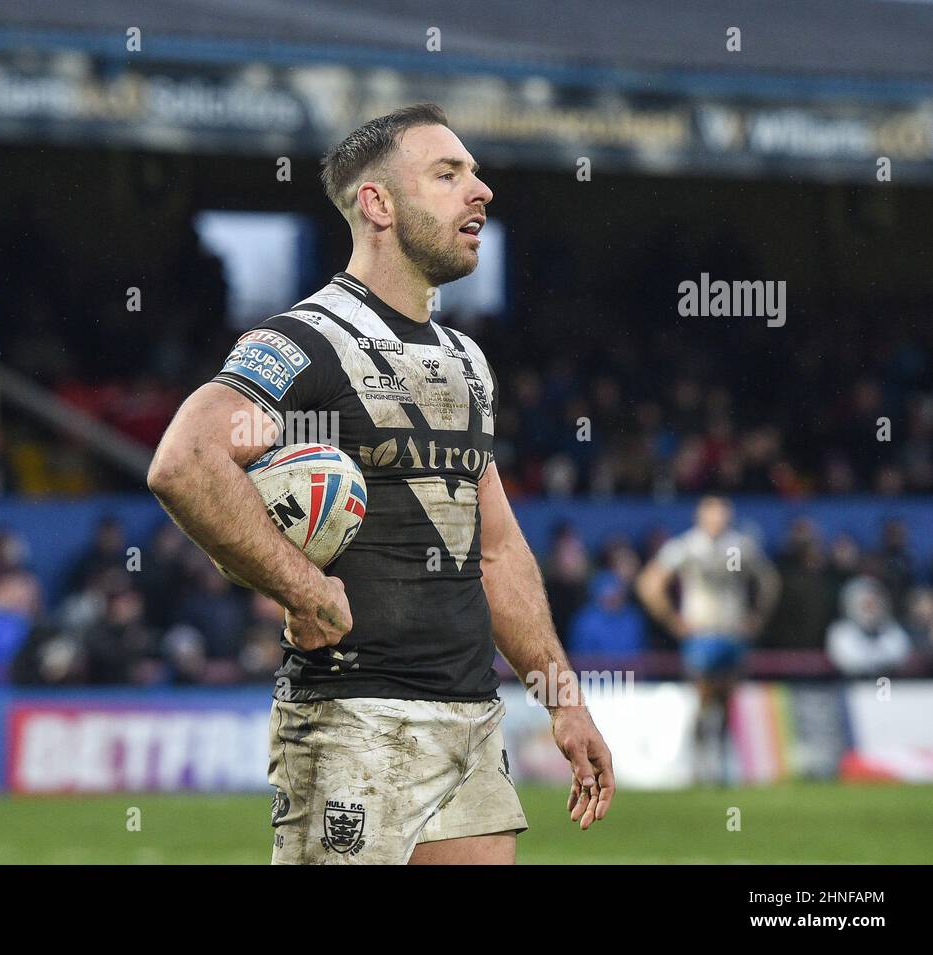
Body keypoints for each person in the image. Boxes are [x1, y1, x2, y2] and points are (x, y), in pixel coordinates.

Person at [148, 104, 614, 865]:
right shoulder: (302, 341)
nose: (482, 191)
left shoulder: (468, 361)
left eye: (474, 172)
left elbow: (495, 551)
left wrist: (564, 700)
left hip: (470, 717)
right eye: (448, 174)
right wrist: (301, 586)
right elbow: (186, 461)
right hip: (352, 720)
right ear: (378, 204)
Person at [636, 496, 781, 785]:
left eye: (722, 515)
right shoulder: (687, 546)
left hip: (731, 632)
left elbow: (769, 581)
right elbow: (649, 583)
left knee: (727, 700)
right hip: (701, 634)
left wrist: (756, 619)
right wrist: (673, 621)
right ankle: (700, 765)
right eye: (712, 515)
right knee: (703, 697)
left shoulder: (740, 546)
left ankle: (721, 765)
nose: (718, 520)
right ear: (701, 517)